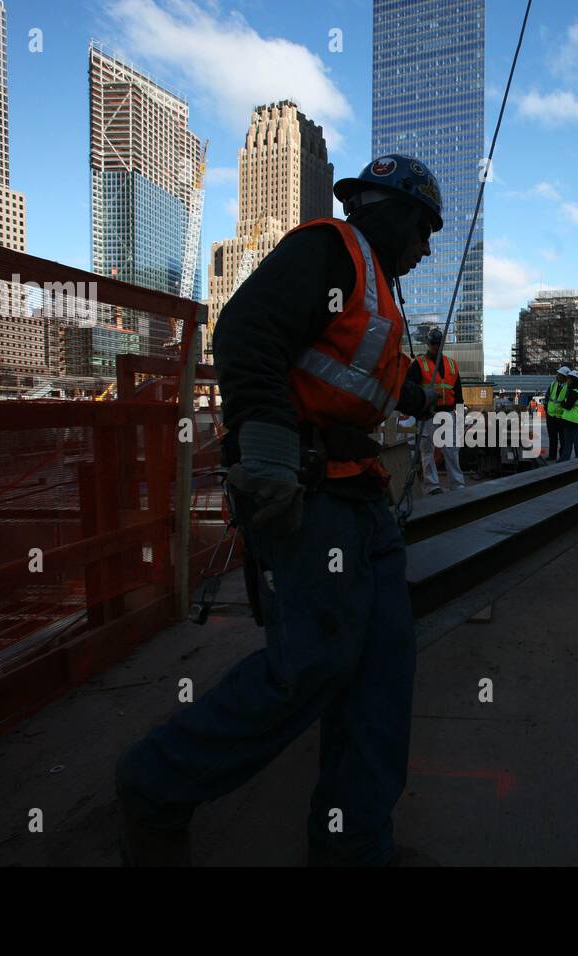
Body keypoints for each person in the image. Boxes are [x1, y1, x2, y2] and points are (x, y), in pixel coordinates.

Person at [114, 154, 444, 867]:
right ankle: (155, 784)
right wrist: (262, 453)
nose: (425, 248)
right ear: (395, 213)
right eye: (425, 230)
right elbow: (245, 334)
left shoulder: (378, 289)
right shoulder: (330, 249)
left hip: (360, 497)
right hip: (309, 492)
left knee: (381, 669)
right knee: (311, 663)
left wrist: (421, 394)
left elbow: (359, 370)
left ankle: (355, 849)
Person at [409, 326, 464, 494]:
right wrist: (417, 409)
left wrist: (460, 417)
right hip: (428, 414)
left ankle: (457, 484)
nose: (435, 346)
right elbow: (410, 389)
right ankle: (433, 486)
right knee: (427, 451)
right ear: (428, 344)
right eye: (433, 343)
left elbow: (458, 393)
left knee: (451, 451)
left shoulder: (452, 365)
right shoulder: (419, 364)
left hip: (447, 413)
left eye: (438, 343)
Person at [544, 366, 570, 461]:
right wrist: (546, 408)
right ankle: (552, 455)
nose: (557, 376)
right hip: (551, 416)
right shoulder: (553, 385)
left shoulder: (568, 387)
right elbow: (547, 397)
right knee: (552, 437)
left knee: (563, 439)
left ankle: (562, 456)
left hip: (562, 417)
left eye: (559, 374)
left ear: (564, 377)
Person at [558, 368, 578, 461]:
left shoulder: (574, 392)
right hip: (571, 419)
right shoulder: (576, 390)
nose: (567, 380)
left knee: (575, 440)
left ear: (573, 380)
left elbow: (568, 406)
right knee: (568, 441)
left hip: (571, 419)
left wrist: (562, 403)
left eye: (569, 378)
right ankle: (565, 458)